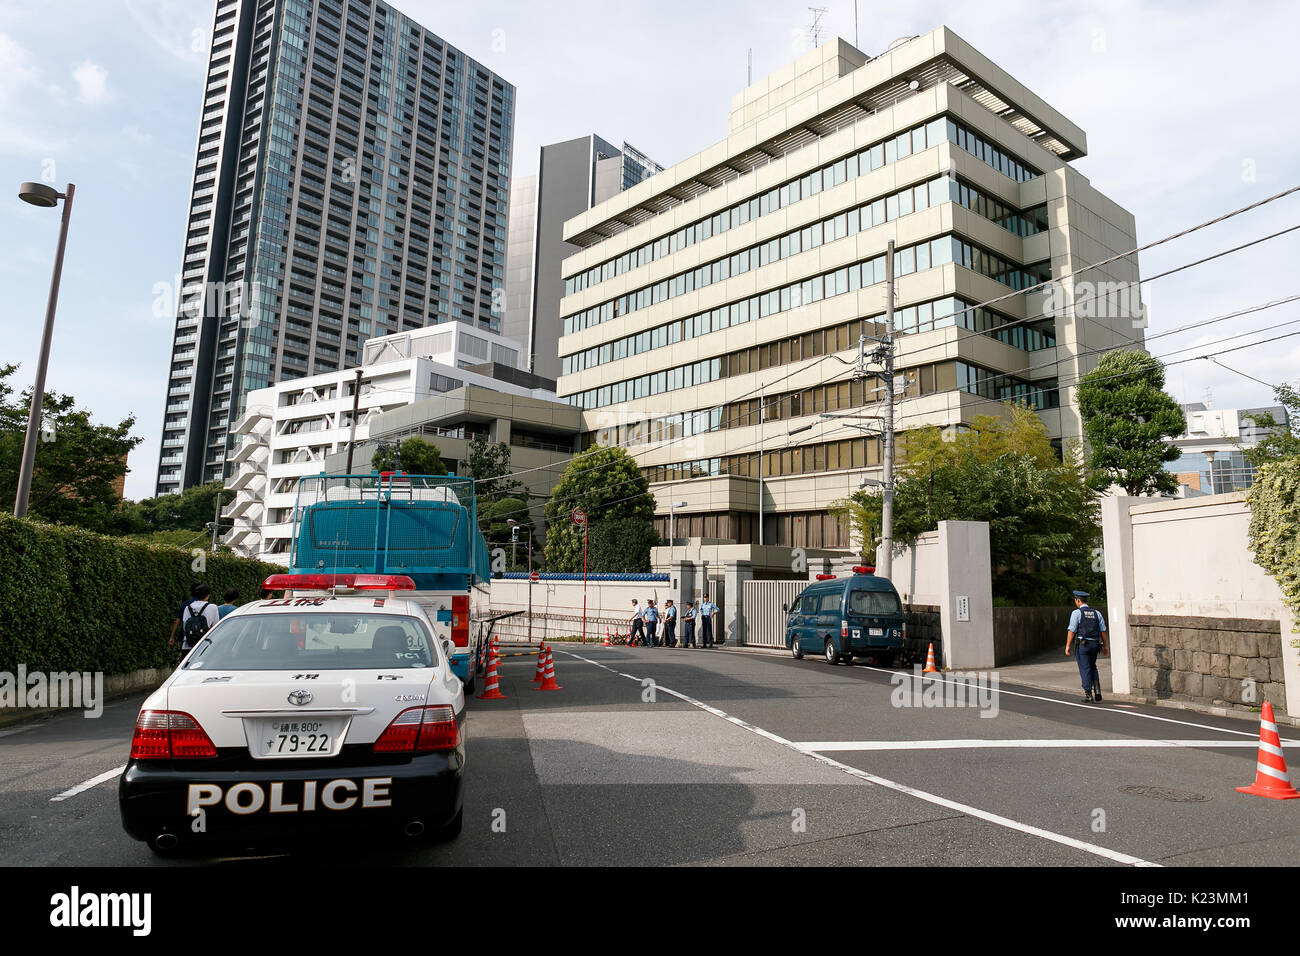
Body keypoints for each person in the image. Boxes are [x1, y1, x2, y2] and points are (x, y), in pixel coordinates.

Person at [1065, 589, 1108, 703]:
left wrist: (1068, 646)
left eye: (1075, 600)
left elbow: (1072, 630)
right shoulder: (1096, 613)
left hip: (1083, 645)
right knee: (1093, 666)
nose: (1075, 602)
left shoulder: (1076, 613)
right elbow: (1103, 631)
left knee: (1085, 668)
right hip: (1095, 644)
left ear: (1078, 600)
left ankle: (1088, 694)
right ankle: (1097, 690)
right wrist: (1105, 646)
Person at [180, 583, 221, 653]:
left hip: (188, 644)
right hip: (204, 644)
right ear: (208, 595)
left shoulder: (188, 608)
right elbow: (216, 627)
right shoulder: (213, 607)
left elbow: (185, 627)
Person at [168, 582, 200, 649]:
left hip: (186, 636)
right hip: (200, 635)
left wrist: (172, 636)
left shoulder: (185, 604)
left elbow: (177, 621)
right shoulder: (206, 605)